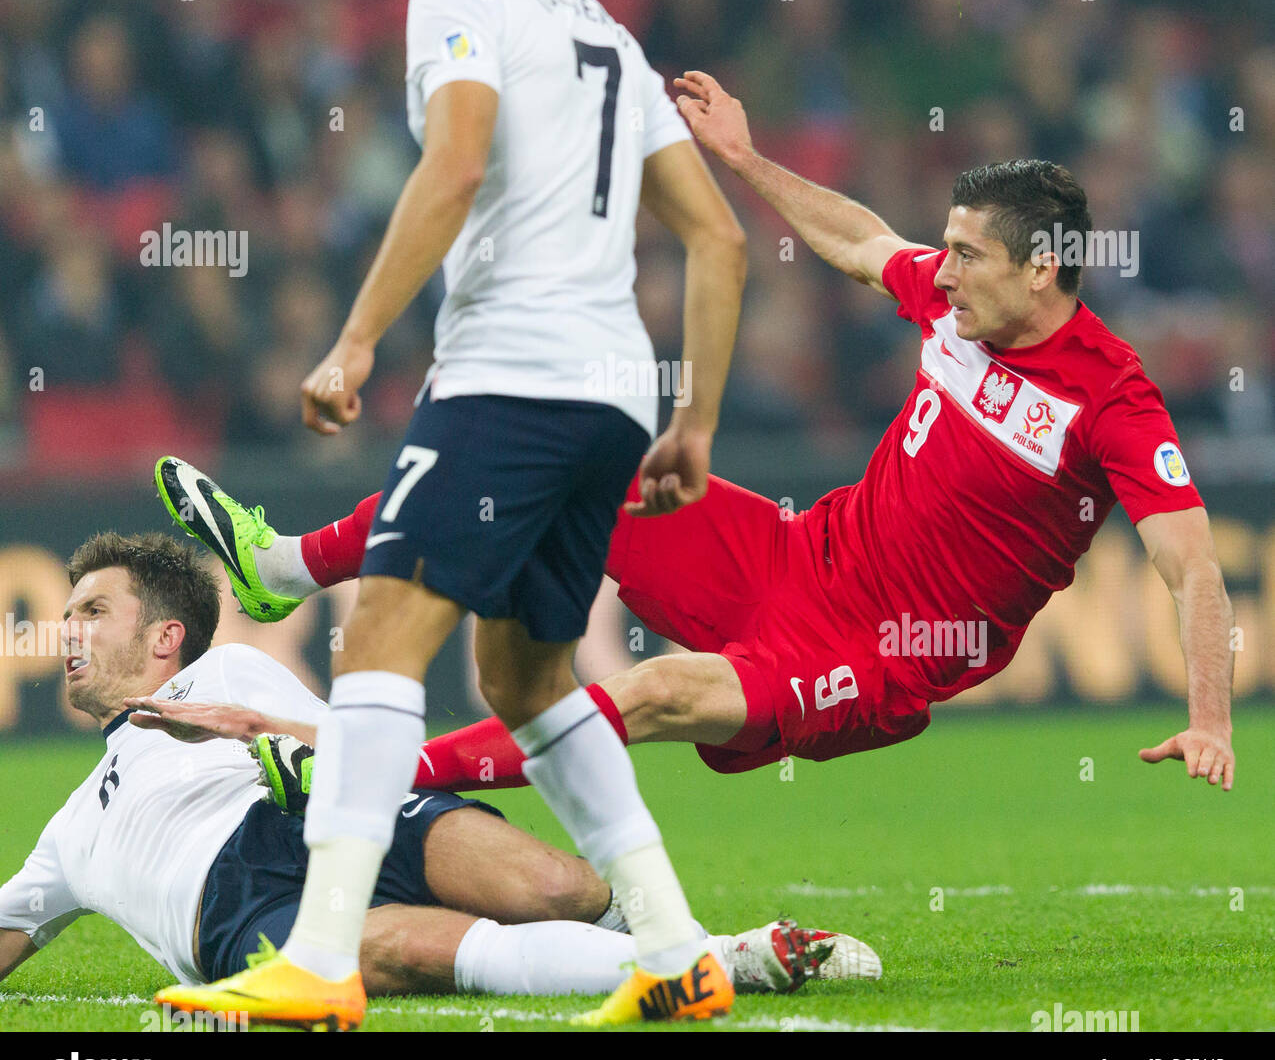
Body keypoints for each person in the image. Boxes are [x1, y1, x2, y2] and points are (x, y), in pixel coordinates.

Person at [153, 73, 1236, 805]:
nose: (940, 273)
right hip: (788, 551)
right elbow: (862, 241)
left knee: (659, 690)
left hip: (874, 655)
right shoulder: (954, 305)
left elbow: (1190, 567)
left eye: (967, 256)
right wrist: (744, 159)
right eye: (944, 250)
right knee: (560, 440)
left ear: (1042, 268)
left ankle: (368, 777)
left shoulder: (1112, 400)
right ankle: (281, 565)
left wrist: (1207, 719)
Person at [158, 0, 748, 1029]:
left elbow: (458, 160)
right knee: (525, 675)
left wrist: (357, 334)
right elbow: (720, 233)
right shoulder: (604, 30)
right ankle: (678, 948)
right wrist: (695, 417)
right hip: (614, 393)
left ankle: (319, 963)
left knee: (377, 637)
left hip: (512, 375)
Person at [0, 532, 876, 1022]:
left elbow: (362, 744)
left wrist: (278, 735)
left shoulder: (225, 675)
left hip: (323, 810)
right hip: (236, 909)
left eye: (91, 611)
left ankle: (662, 938)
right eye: (67, 613)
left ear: (164, 638)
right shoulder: (68, 833)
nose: (65, 629)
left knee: (558, 886)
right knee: (401, 948)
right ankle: (732, 962)